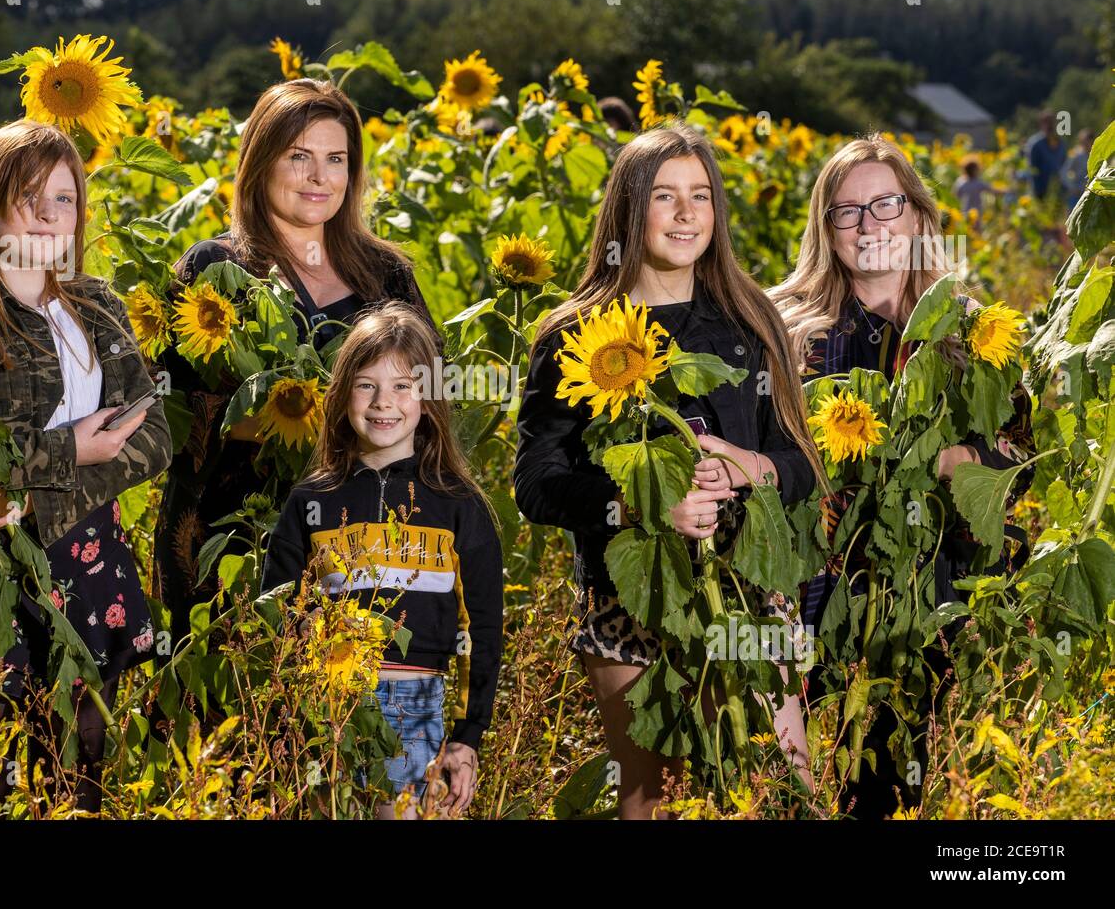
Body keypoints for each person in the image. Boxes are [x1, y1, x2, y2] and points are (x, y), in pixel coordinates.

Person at [513, 122, 824, 819]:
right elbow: (536, 483)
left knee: (780, 782)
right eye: (664, 196)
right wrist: (641, 504)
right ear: (629, 210)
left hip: (744, 591)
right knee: (652, 794)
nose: (686, 214)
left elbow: (802, 465)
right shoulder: (575, 334)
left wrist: (745, 468)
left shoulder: (749, 322)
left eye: (700, 195)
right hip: (630, 596)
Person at [0, 119, 172, 817]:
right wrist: (66, 449)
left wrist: (36, 495)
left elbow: (152, 434)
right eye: (27, 197)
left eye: (64, 198)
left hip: (86, 560)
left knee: (75, 777)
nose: (49, 215)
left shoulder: (95, 305)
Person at [769, 133, 1034, 818]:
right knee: (802, 785)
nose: (869, 226)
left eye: (886, 205)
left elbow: (1019, 456)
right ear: (826, 226)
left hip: (935, 596)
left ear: (917, 215)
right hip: (815, 591)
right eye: (848, 211)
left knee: (906, 782)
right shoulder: (788, 332)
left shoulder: (970, 334)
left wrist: (961, 463)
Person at [153, 78, 436, 686]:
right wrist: (279, 418)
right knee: (227, 708)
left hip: (359, 536)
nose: (319, 177)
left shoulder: (385, 274)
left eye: (336, 159)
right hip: (228, 538)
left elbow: (433, 393)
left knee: (343, 712)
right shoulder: (214, 268)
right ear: (260, 163)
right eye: (298, 156)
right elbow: (165, 409)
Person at [260, 302, 502, 818]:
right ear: (341, 394)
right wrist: (289, 715)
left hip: (416, 705)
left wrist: (468, 735)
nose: (382, 402)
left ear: (428, 399)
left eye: (402, 386)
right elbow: (277, 613)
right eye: (366, 385)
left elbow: (482, 627)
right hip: (328, 707)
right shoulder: (312, 501)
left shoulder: (458, 505)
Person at [1024, 110, 1067, 199]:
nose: (1050, 125)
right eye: (1047, 122)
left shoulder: (1061, 144)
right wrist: (1036, 192)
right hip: (1039, 192)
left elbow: (1064, 166)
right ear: (1041, 124)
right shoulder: (1035, 144)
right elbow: (1031, 169)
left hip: (1058, 192)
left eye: (1052, 122)